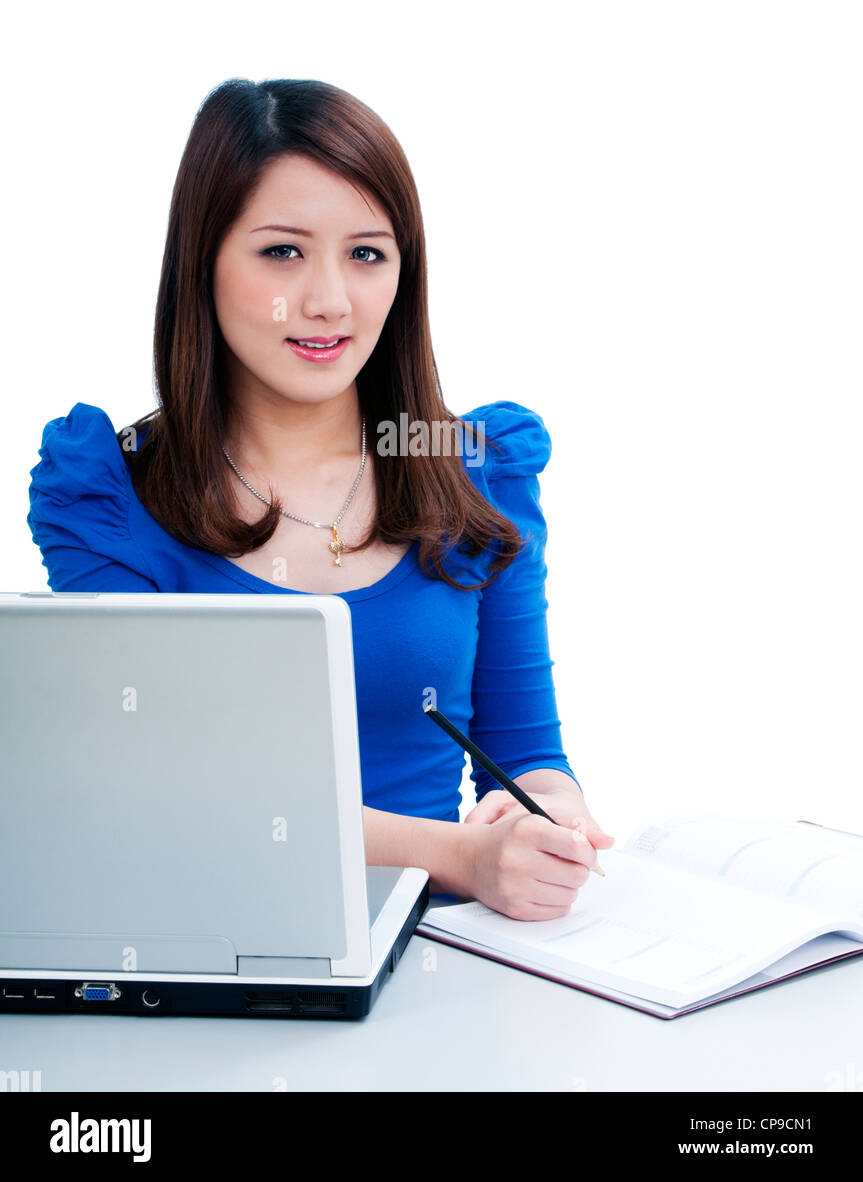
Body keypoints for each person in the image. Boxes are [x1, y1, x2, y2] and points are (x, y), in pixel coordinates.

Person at [27, 77, 614, 920]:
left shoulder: (473, 472)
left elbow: (522, 751)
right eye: (282, 252)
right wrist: (456, 855)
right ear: (204, 261)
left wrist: (549, 816)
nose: (329, 301)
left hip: (440, 969)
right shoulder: (110, 495)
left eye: (366, 254)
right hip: (200, 961)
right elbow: (170, 795)